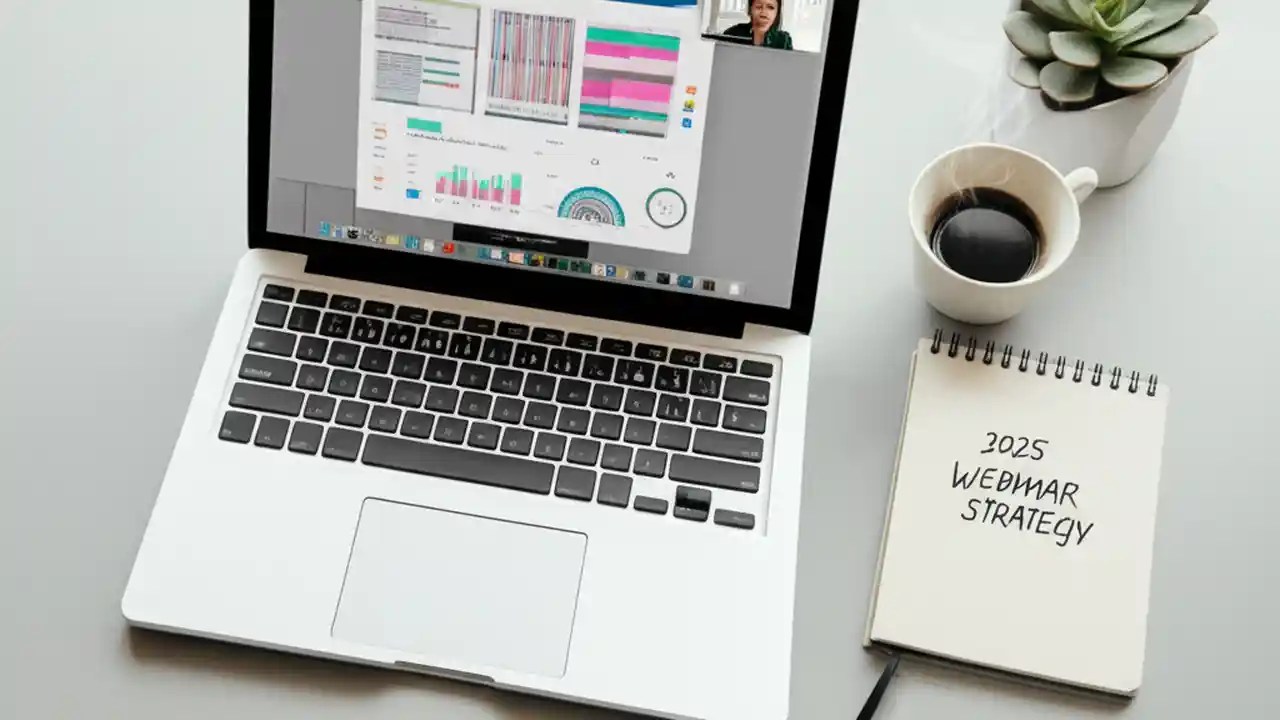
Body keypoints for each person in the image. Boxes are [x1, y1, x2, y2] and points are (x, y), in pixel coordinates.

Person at [722, 0, 793, 51]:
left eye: (770, 7)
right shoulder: (733, 33)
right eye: (759, 7)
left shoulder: (784, 40)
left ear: (777, 12)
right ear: (750, 9)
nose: (764, 11)